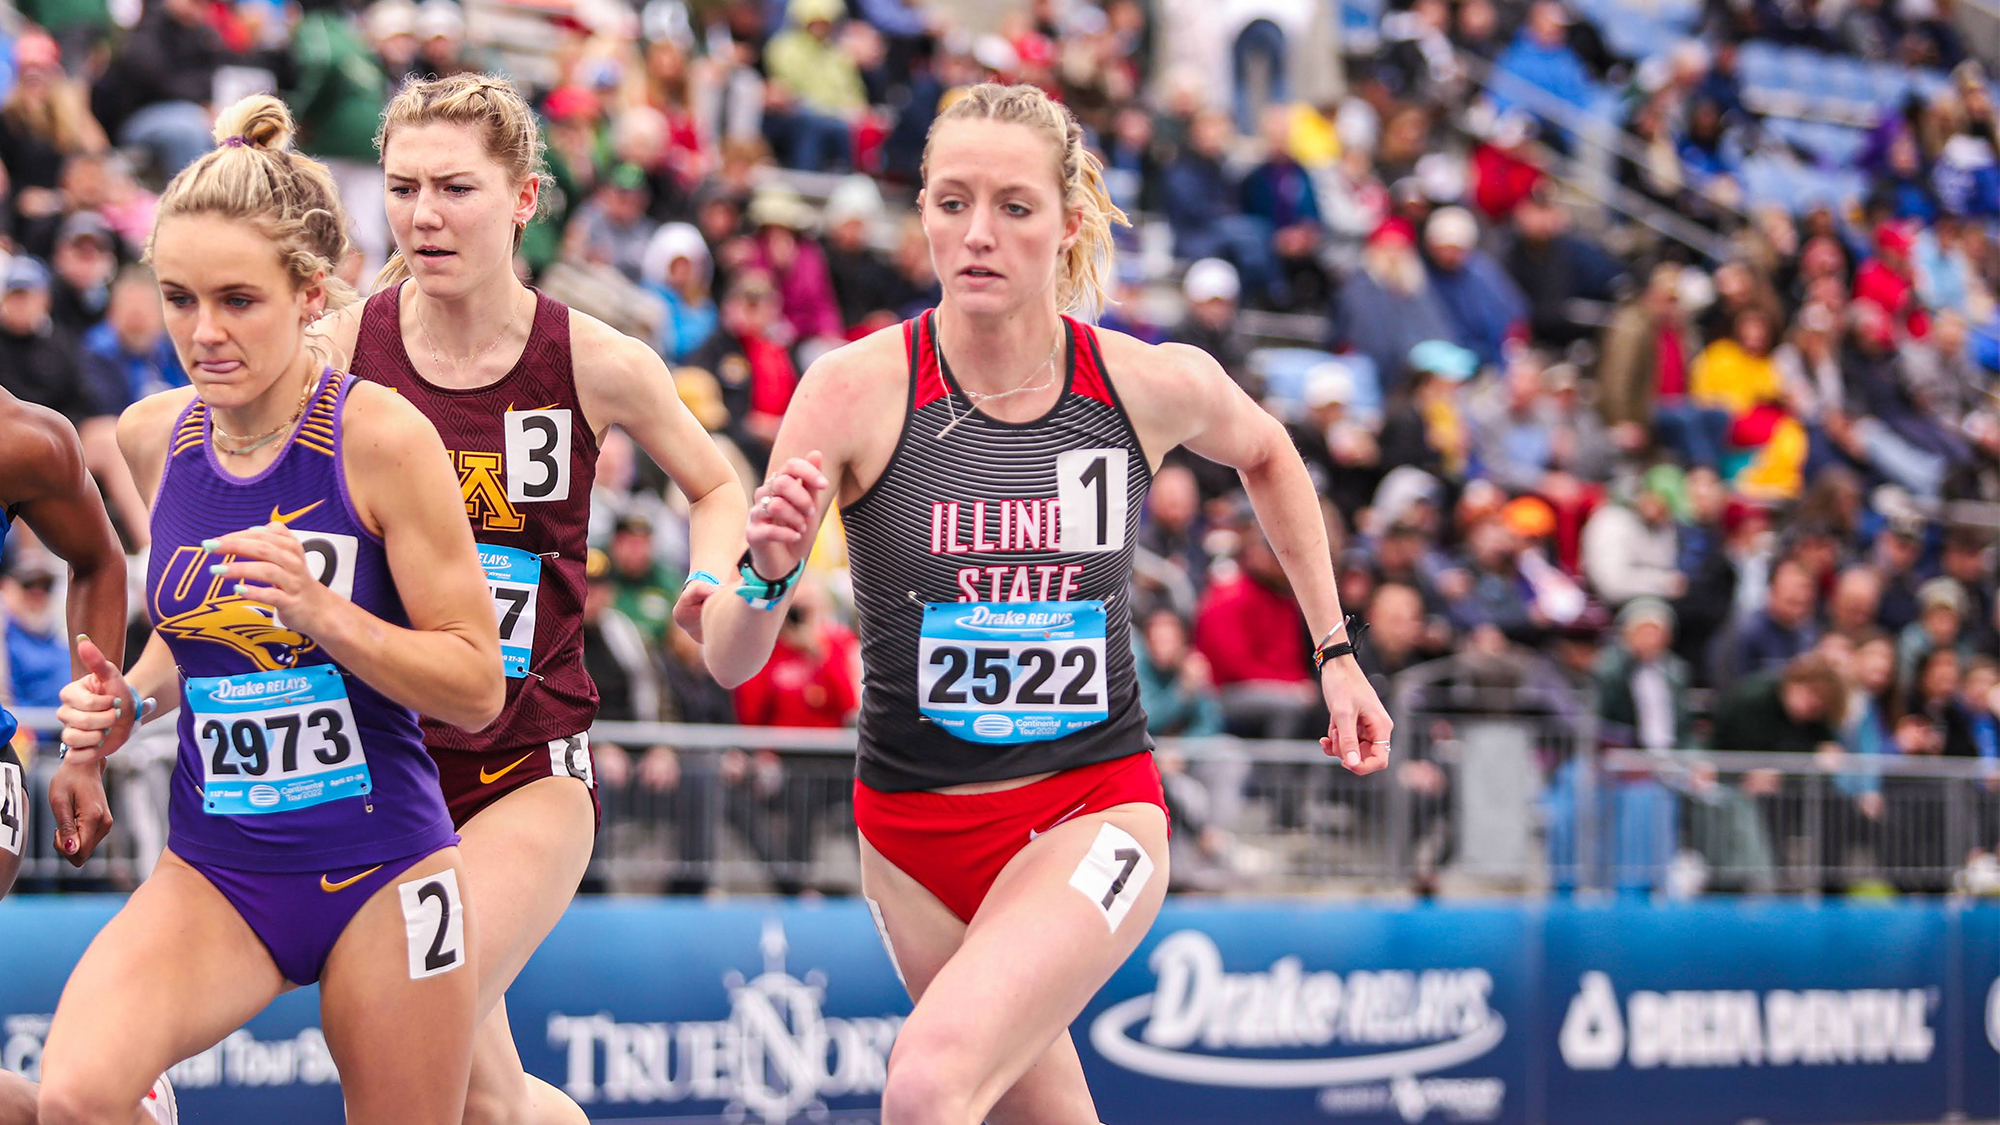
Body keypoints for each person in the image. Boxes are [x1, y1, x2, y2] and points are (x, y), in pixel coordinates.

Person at [699, 83, 1391, 1125]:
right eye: (949, 201)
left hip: (1089, 811)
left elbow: (1268, 452)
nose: (975, 235)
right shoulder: (851, 391)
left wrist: (1333, 649)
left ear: (1067, 223)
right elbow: (728, 660)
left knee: (928, 1085)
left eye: (1012, 207)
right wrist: (763, 571)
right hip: (909, 838)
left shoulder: (1137, 381)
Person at [36, 95, 505, 1125]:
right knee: (72, 1098)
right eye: (177, 298)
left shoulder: (381, 438)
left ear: (309, 294)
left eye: (238, 300)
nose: (203, 334)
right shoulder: (155, 435)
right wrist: (126, 707)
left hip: (383, 867)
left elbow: (475, 684)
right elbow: (196, 633)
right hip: (219, 870)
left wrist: (326, 614)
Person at [307, 72, 746, 1125]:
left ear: (523, 199)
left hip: (525, 766)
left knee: (405, 1007)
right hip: (380, 768)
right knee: (489, 1105)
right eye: (403, 186)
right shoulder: (337, 351)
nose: (423, 214)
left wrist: (710, 576)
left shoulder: (592, 358)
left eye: (455, 187)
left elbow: (718, 479)